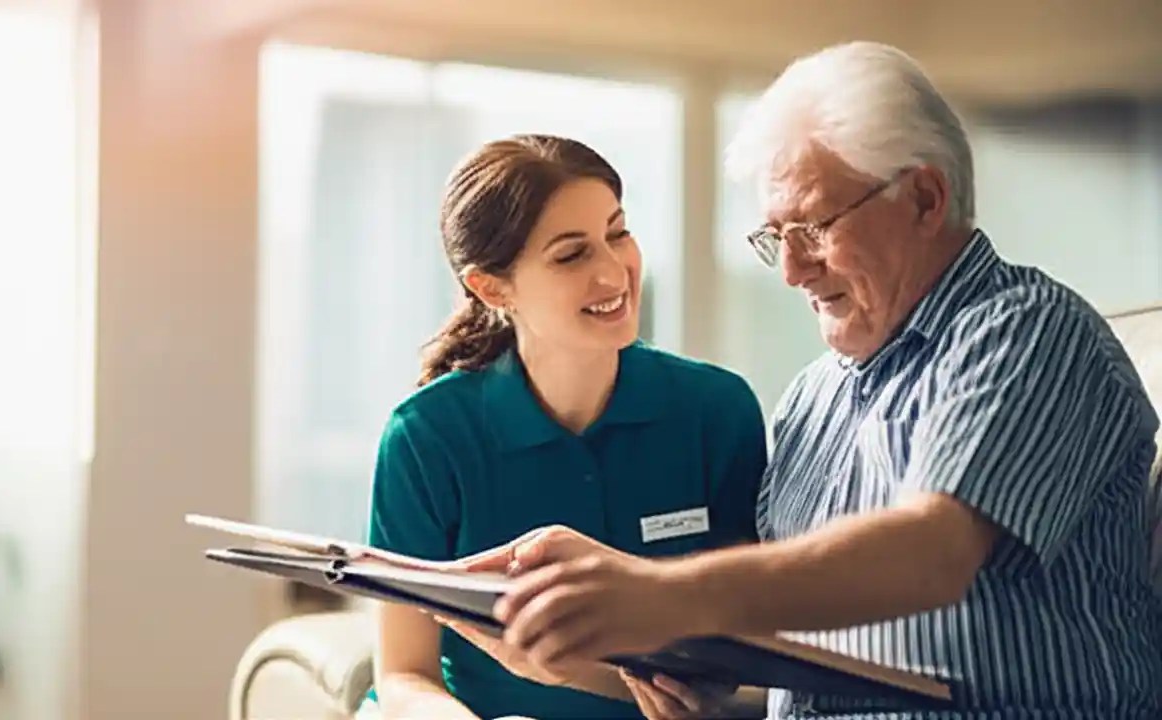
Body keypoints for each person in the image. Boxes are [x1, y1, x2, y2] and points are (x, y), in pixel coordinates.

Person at [470, 43, 1162, 719]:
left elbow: (930, 557)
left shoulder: (1026, 331)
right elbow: (796, 645)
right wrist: (641, 657)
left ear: (924, 198)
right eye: (778, 236)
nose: (793, 270)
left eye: (813, 227)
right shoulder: (812, 398)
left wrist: (656, 592)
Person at [362, 134, 767, 720]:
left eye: (618, 233)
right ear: (492, 287)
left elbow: (747, 654)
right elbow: (403, 674)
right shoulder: (426, 437)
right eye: (572, 255)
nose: (614, 272)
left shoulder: (716, 412)